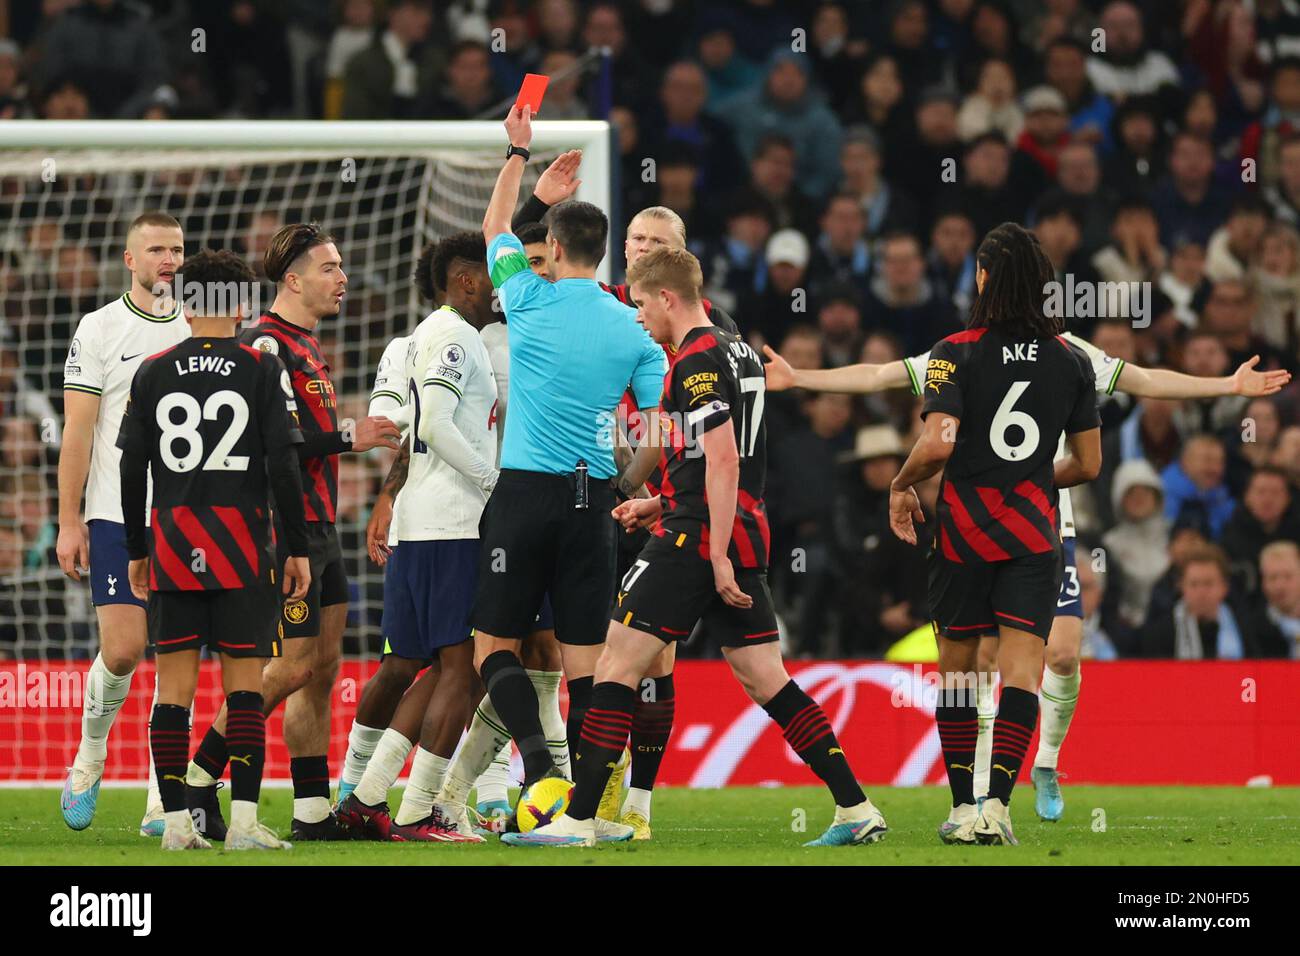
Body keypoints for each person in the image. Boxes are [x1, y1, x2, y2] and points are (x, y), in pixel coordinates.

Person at [765, 325, 1288, 826]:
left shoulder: (1066, 352)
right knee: (988, 661)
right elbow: (882, 375)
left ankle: (1045, 761)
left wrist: (1228, 385)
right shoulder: (963, 351)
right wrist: (804, 377)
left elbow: (1144, 379)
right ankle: (985, 800)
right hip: (978, 523)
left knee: (1062, 651)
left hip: (1044, 526)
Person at [505, 246, 887, 848]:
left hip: (698, 540)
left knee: (614, 666)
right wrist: (663, 501)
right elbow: (726, 460)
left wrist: (709, 549)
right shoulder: (742, 351)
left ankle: (580, 820)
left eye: (641, 305)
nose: (639, 319)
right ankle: (855, 805)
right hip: (737, 529)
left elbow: (725, 456)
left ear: (666, 298)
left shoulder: (698, 359)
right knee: (766, 678)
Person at [469, 104, 665, 835]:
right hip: (594, 503)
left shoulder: (527, 297)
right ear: (610, 252)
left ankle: (541, 770)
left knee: (495, 647)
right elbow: (659, 429)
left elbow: (493, 232)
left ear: (552, 245)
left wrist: (519, 157)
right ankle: (583, 813)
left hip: (522, 496)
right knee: (589, 669)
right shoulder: (635, 328)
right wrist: (629, 482)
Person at [886, 223, 1103, 846]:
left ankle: (961, 807)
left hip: (962, 535)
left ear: (982, 277)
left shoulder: (955, 350)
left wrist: (901, 485)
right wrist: (1029, 480)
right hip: (1034, 535)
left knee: (957, 675)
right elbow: (1088, 466)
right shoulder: (1071, 359)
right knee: (1021, 674)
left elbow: (938, 443)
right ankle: (999, 809)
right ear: (1043, 285)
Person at [183, 224, 400, 841]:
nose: (343, 278)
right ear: (294, 279)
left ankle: (311, 811)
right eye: (329, 268)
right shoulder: (263, 346)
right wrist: (348, 437)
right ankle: (199, 782)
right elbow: (264, 444)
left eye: (341, 265)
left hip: (320, 524)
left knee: (325, 665)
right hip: (282, 531)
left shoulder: (306, 346)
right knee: (289, 666)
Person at [116, 249, 311, 850]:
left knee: (172, 691)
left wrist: (136, 547)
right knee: (245, 689)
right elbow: (284, 464)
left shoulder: (153, 369)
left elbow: (131, 467)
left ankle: (176, 826)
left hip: (173, 542)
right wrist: (296, 547)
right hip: (242, 545)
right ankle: (245, 826)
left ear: (188, 300)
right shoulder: (260, 366)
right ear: (241, 303)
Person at [57, 212, 190, 836]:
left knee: (178, 658)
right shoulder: (99, 328)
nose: (168, 259)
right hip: (115, 513)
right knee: (124, 648)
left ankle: (163, 797)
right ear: (129, 260)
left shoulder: (201, 326)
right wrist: (69, 520)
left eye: (177, 249)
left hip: (188, 520)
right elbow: (78, 432)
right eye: (156, 249)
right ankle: (90, 752)